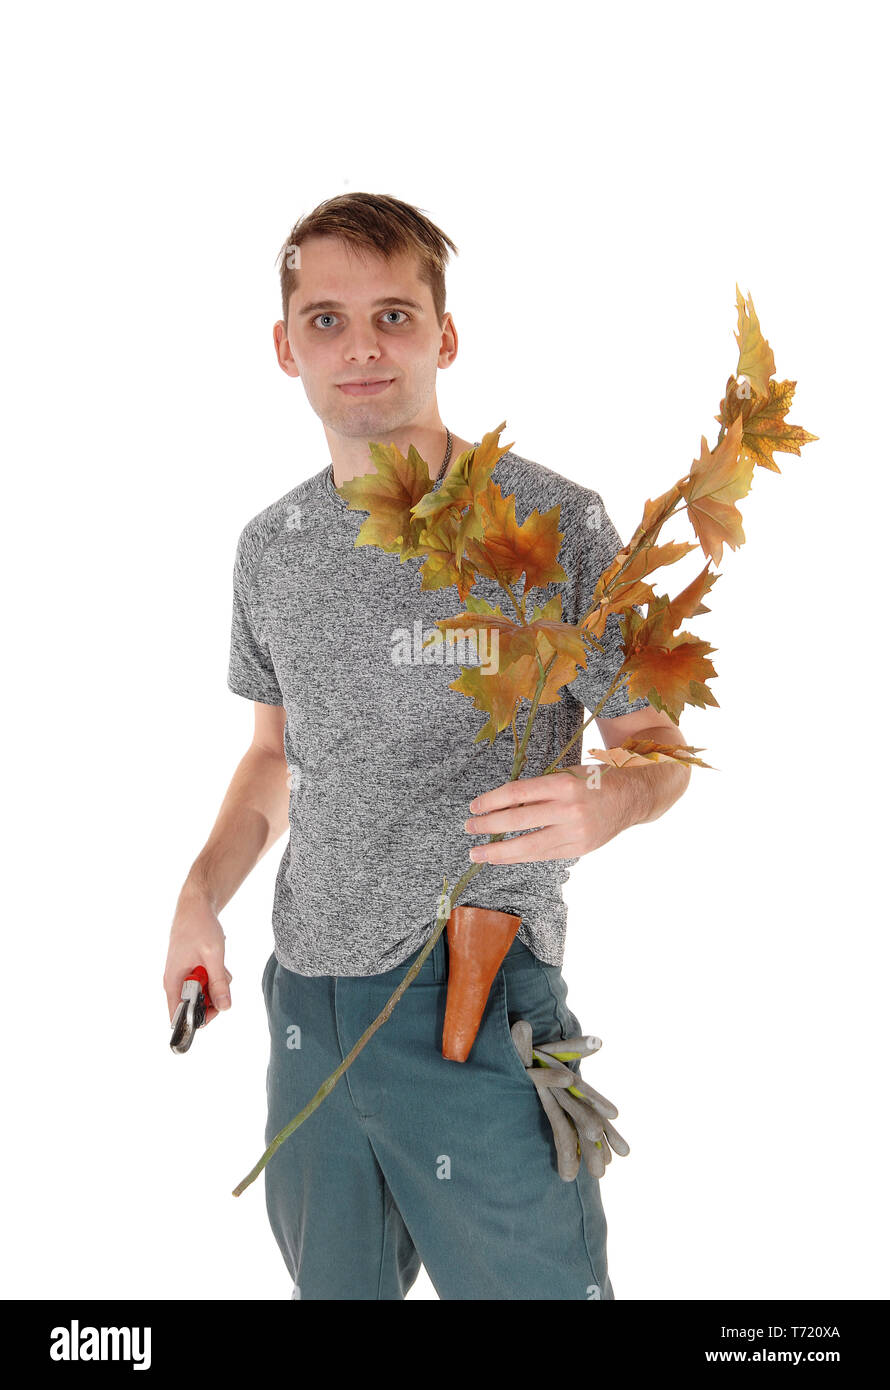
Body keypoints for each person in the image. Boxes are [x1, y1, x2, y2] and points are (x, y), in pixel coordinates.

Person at [163, 191, 691, 1300]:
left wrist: (611, 798)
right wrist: (198, 896)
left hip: (475, 1002)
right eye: (326, 319)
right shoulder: (271, 550)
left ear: (443, 336)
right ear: (284, 346)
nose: (361, 345)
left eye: (395, 315)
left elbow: (651, 736)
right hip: (304, 1001)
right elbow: (274, 756)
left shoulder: (550, 524)